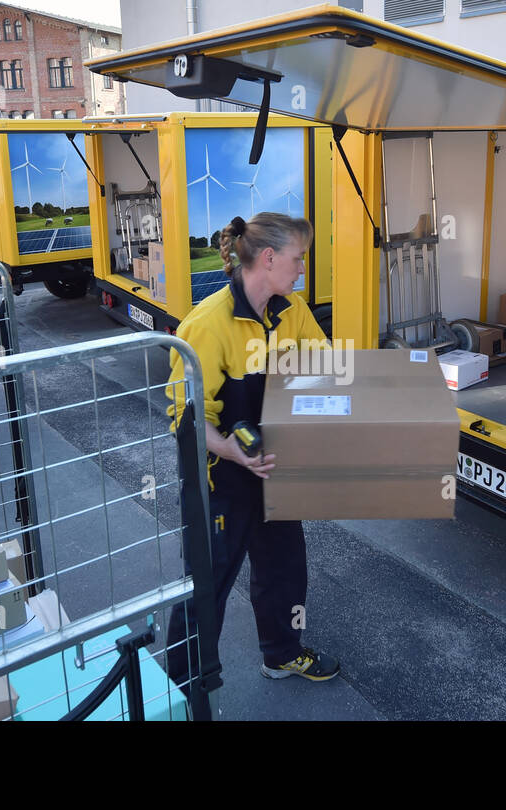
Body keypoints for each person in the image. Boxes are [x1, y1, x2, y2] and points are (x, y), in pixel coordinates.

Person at [164, 212, 340, 692]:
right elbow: (186, 417)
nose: (301, 269)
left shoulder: (292, 310)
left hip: (275, 467)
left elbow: (324, 369)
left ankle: (282, 655)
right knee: (208, 580)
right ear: (267, 258)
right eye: (297, 258)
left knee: (284, 566)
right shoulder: (206, 325)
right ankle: (181, 688)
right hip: (221, 476)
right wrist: (234, 452)